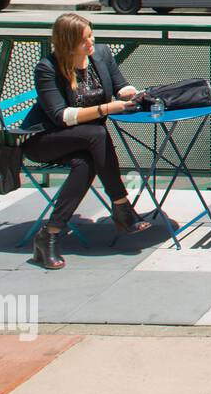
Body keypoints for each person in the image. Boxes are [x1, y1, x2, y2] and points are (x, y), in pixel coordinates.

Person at [20, 13, 153, 269]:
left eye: (91, 35)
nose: (91, 42)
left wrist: (133, 94)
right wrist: (107, 109)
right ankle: (122, 207)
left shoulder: (100, 54)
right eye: (84, 40)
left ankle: (50, 234)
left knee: (85, 164)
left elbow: (121, 86)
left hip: (86, 142)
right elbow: (61, 117)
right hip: (46, 140)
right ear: (67, 42)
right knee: (98, 134)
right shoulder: (48, 68)